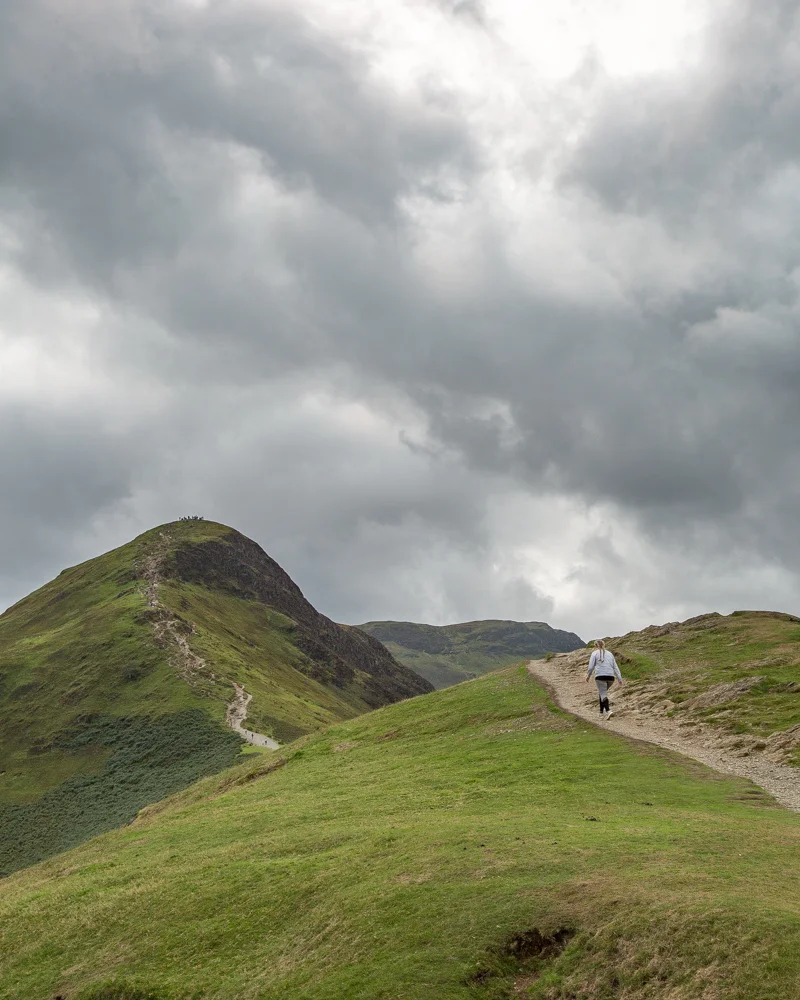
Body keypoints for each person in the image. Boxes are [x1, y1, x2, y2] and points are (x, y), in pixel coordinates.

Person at [585, 639, 622, 718]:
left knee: (603, 693)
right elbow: (615, 667)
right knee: (602, 692)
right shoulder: (610, 654)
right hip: (611, 677)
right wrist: (619, 678)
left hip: (600, 676)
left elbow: (591, 666)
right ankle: (601, 712)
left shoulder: (594, 653)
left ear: (596, 646)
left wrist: (588, 675)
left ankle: (608, 711)